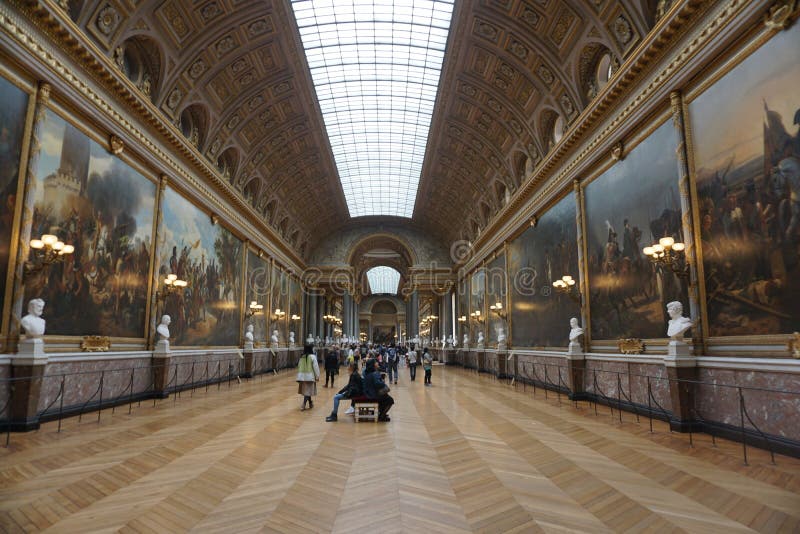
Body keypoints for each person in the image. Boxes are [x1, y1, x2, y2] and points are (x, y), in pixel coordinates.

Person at [296, 343, 319, 411]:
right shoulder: (312, 357)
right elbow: (316, 367)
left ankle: (310, 403)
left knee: (307, 391)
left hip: (302, 376)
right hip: (310, 376)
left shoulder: (302, 357)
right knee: (308, 391)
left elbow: (299, 366)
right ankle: (303, 404)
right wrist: (317, 375)